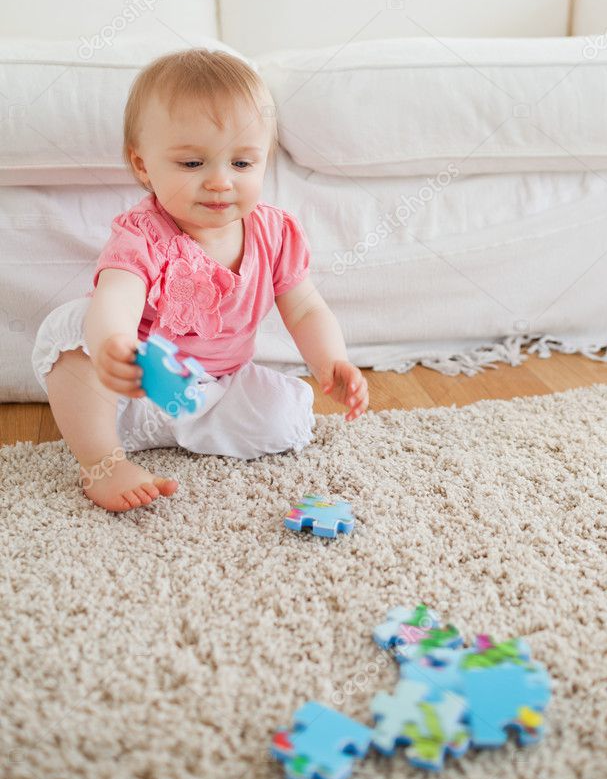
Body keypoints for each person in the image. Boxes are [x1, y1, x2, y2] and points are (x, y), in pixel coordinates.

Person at [32, 48, 369, 513]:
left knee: (289, 418)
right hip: (130, 388)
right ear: (143, 165)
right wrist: (113, 345)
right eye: (193, 164)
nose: (220, 182)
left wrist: (332, 361)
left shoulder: (274, 233)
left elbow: (305, 308)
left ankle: (176, 431)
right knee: (70, 328)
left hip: (212, 392)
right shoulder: (142, 234)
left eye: (242, 164)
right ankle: (103, 460)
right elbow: (117, 295)